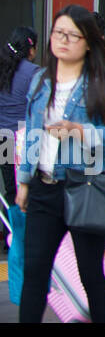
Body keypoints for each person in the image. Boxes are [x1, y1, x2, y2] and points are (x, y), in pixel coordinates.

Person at [16, 5, 105, 324]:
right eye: (58, 33)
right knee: (35, 272)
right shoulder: (40, 80)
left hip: (85, 189)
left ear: (88, 42)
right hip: (44, 188)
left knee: (90, 273)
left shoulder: (98, 83)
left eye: (72, 35)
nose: (62, 40)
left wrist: (80, 131)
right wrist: (24, 182)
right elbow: (31, 133)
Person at [0, 27, 38, 206]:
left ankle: (11, 231)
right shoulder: (34, 72)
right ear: (31, 49)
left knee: (10, 189)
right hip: (25, 139)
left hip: (3, 138)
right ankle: (24, 232)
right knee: (27, 188)